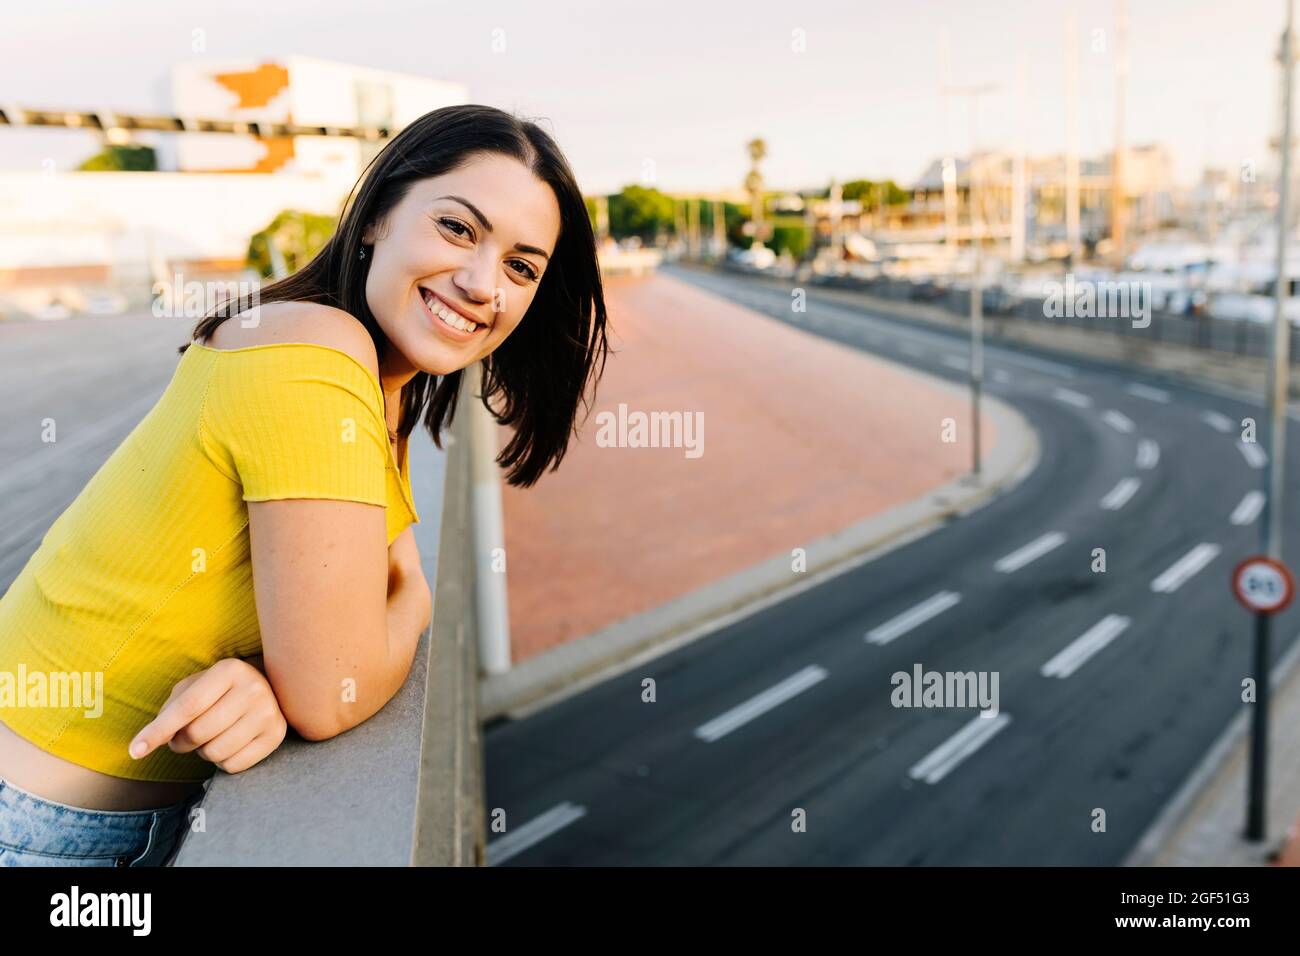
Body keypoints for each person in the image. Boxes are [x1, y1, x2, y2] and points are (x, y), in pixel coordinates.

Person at [0, 103, 610, 866]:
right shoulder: (318, 349)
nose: (484, 283)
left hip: (81, 820)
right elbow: (332, 690)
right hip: (36, 827)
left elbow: (321, 651)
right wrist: (411, 602)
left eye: (521, 266)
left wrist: (266, 681)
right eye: (458, 228)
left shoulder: (379, 388)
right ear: (375, 218)